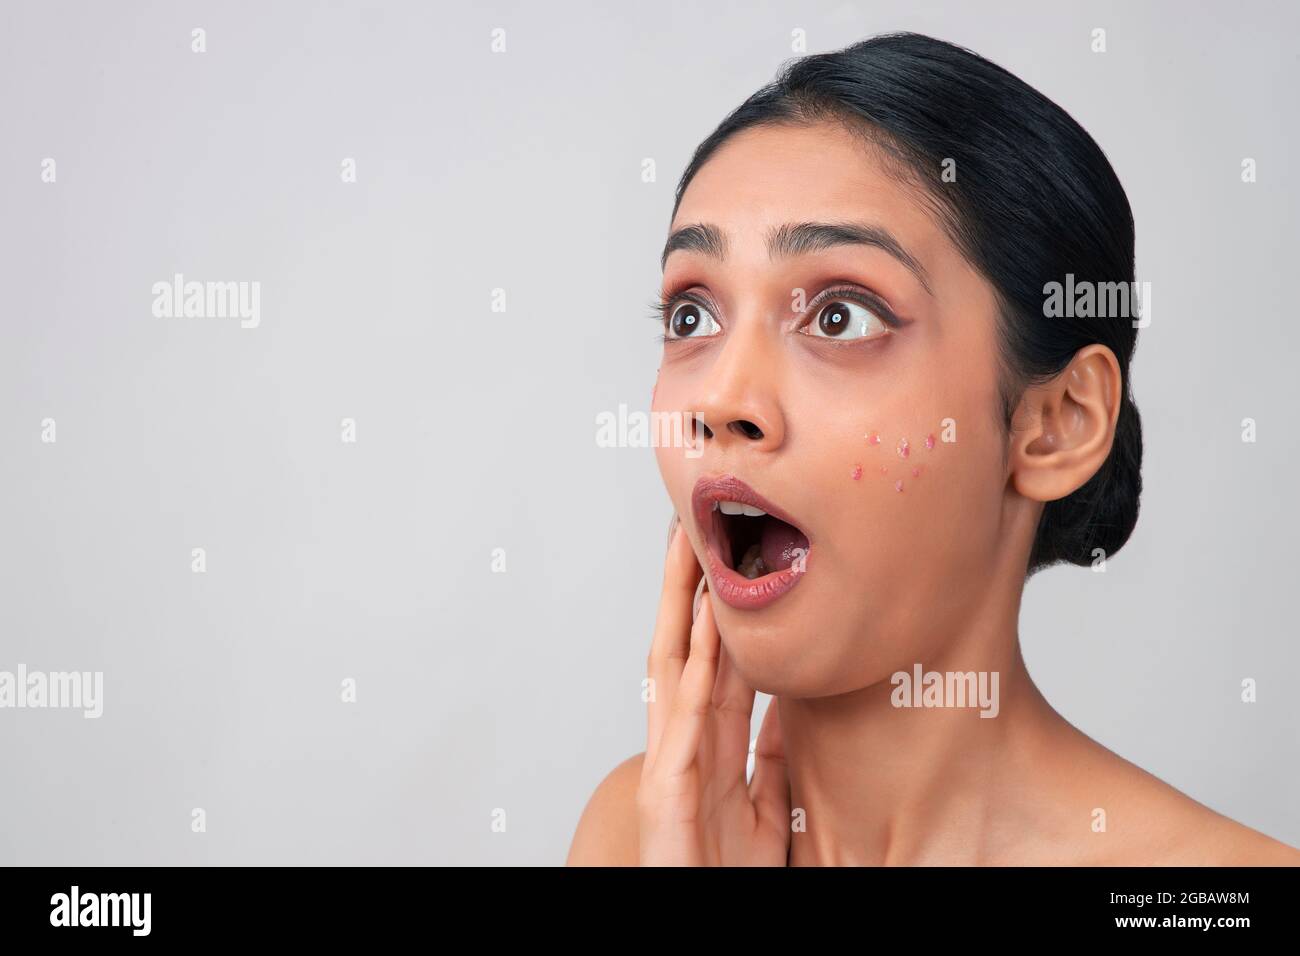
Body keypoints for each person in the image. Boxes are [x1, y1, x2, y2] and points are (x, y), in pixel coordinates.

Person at [567, 32, 1300, 866]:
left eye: (840, 316)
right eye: (692, 315)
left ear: (1058, 422)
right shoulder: (645, 830)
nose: (720, 402)